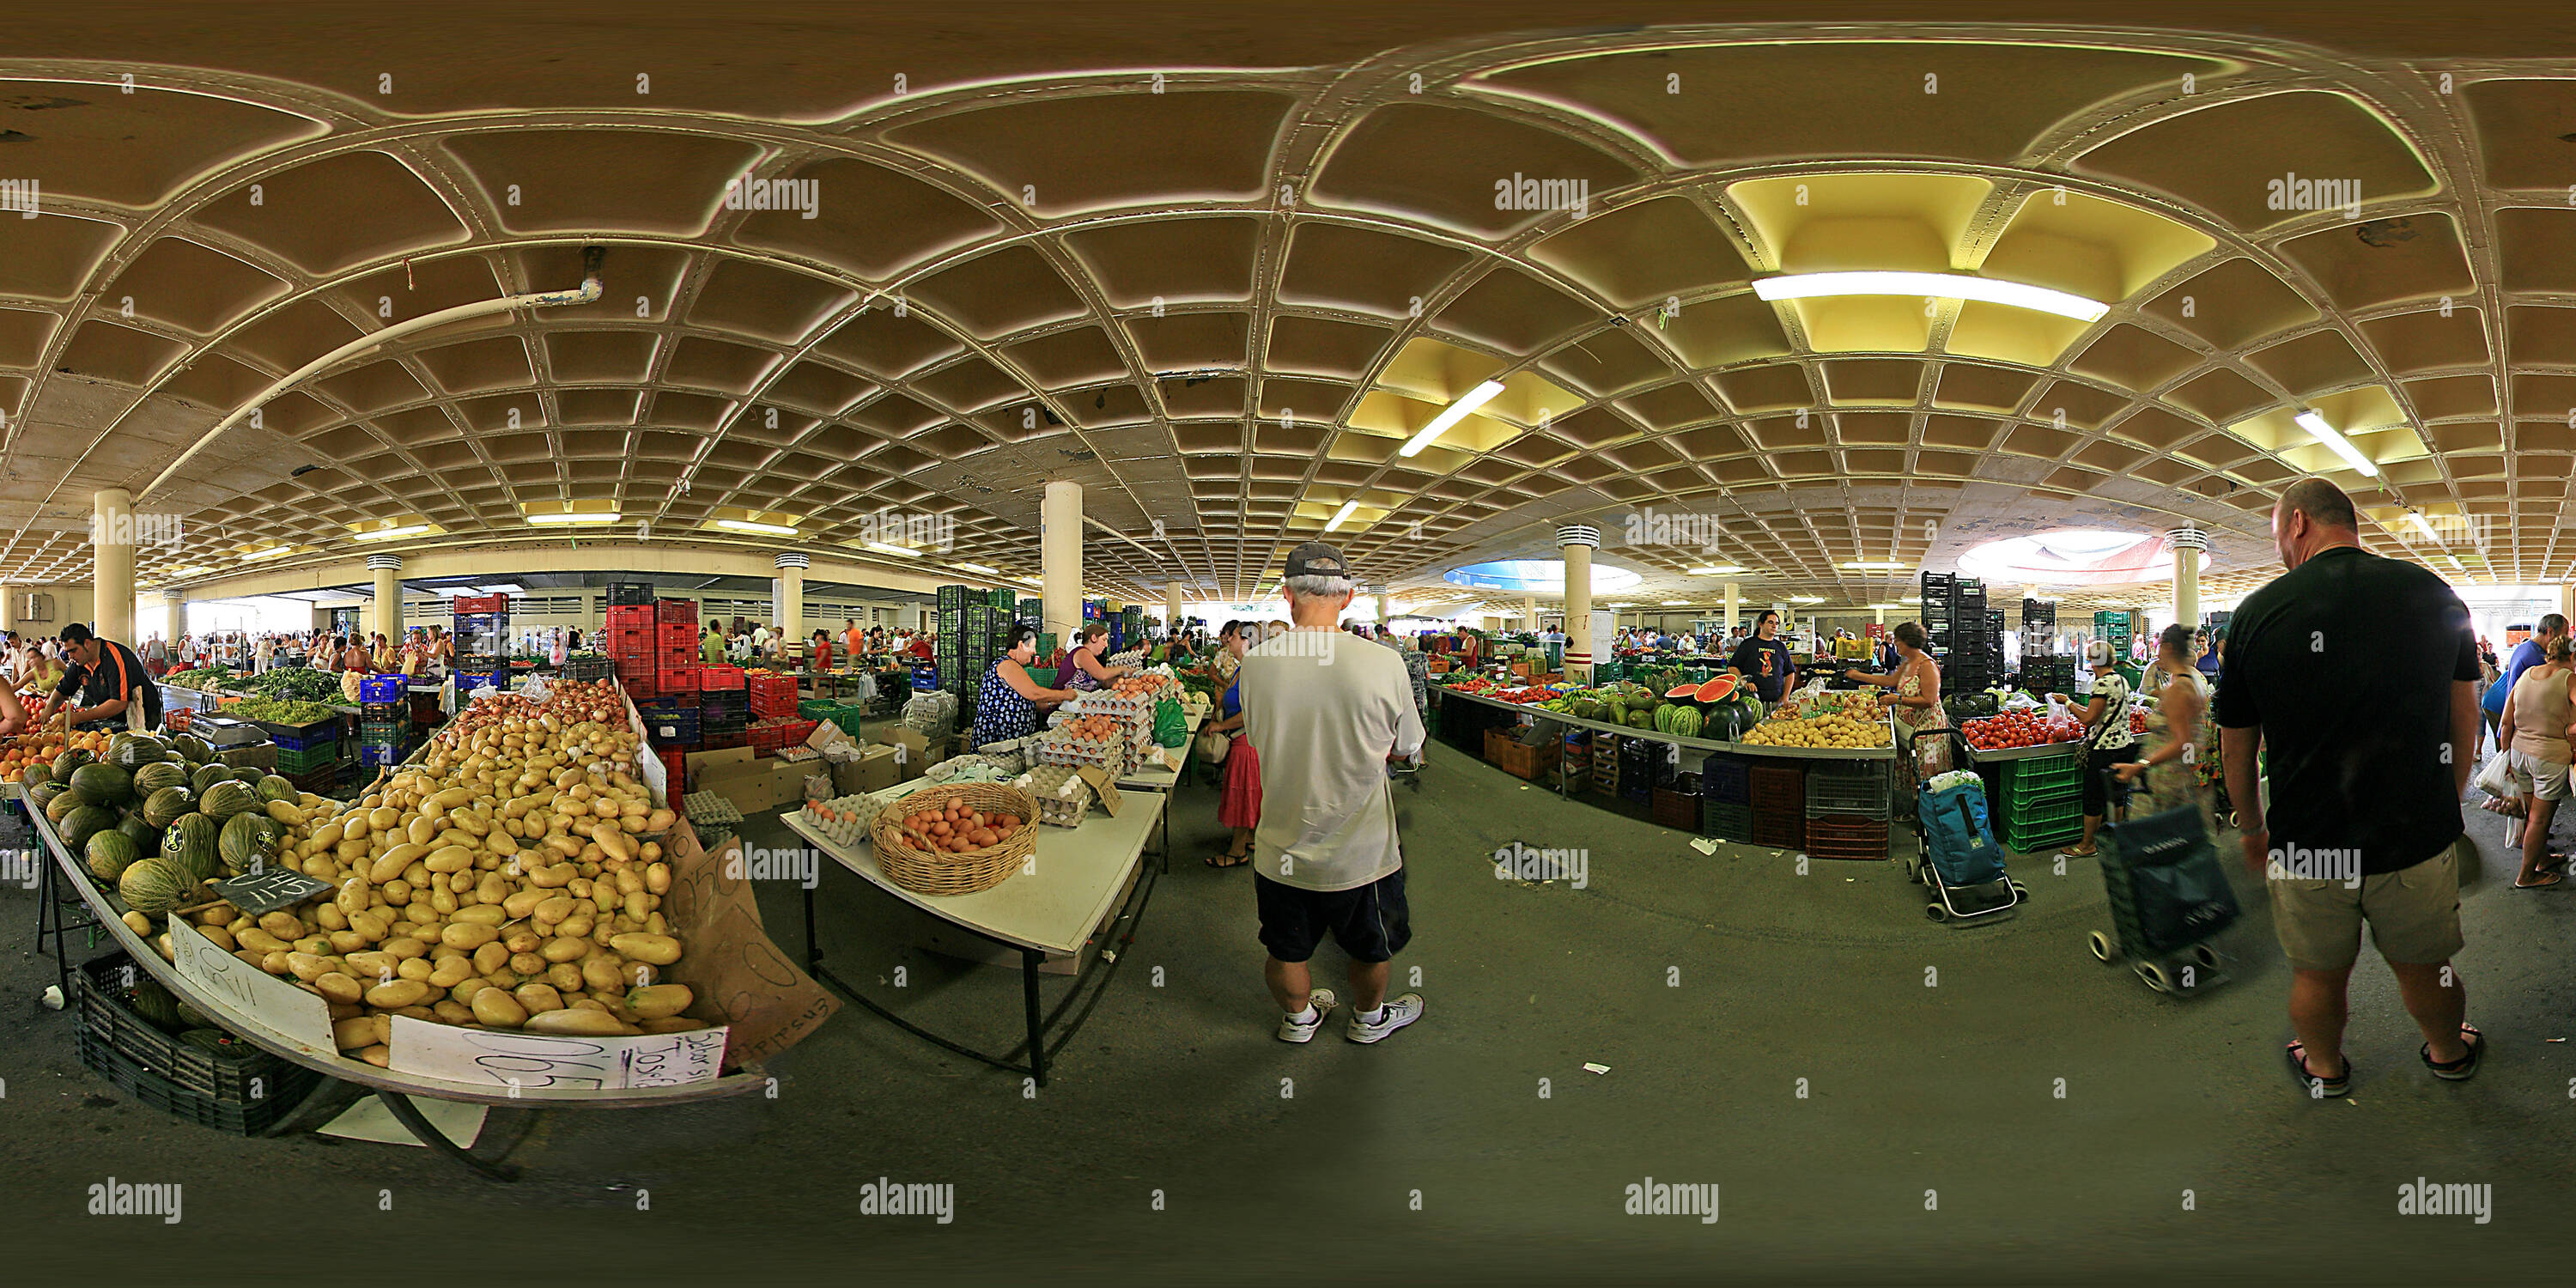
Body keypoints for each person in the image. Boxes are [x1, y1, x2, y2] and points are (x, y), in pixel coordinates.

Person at [2219, 477, 2482, 1097]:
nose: (2280, 546)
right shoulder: (2432, 592)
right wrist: (2451, 794)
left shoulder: (2257, 612)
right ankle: (2448, 1051)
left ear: (2300, 523)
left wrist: (2252, 827)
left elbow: (2236, 742)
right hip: (2412, 834)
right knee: (2427, 969)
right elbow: (2464, 713)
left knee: (2317, 974)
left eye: (2277, 531)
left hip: (2309, 840)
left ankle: (2325, 1068)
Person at [1238, 543, 1425, 1045]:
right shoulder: (1384, 663)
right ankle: (1369, 1019)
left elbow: (1256, 739)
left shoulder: (1257, 664)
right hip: (1362, 852)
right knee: (1371, 948)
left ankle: (1298, 1021)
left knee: (1287, 951)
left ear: (1287, 595)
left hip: (1281, 847)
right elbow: (1407, 747)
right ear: (1348, 598)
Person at [2116, 624, 2218, 841]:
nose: (2156, 652)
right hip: (2184, 775)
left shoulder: (2179, 689)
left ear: (2169, 648)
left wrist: (2140, 765)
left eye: (2159, 647)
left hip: (2167, 780)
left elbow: (2180, 742)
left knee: (2156, 846)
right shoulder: (2194, 680)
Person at [2498, 629, 2574, 889]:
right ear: (2572, 656)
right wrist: (2569, 731)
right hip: (2548, 759)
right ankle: (2526, 875)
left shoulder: (2524, 676)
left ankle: (2541, 860)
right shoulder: (2569, 679)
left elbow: (2506, 722)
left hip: (2519, 754)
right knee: (2540, 820)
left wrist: (2506, 757)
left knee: (2532, 816)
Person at [2050, 640, 2136, 860]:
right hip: (2125, 746)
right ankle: (2118, 839)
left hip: (2105, 749)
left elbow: (2089, 718)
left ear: (2094, 661)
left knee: (2093, 798)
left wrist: (2067, 703)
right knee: (2117, 795)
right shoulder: (2122, 680)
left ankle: (2087, 845)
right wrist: (2071, 704)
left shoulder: (2101, 684)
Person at [1845, 620, 1947, 773]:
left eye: (1898, 641)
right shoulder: (1908, 663)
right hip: (1909, 730)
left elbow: (1929, 700)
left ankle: (1925, 797)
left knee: (1927, 775)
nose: (1896, 643)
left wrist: (1898, 699)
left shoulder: (1927, 665)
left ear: (1908, 641)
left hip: (1927, 731)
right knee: (1913, 773)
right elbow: (1890, 680)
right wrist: (1859, 675)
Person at [34, 623, 162, 732]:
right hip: (115, 720)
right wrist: (49, 709)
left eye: (73, 651)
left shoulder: (114, 658)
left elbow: (119, 703)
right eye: (68, 652)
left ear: (87, 643)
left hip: (144, 714)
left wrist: (77, 717)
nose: (70, 657)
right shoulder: (79, 664)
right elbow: (62, 691)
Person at [968, 625, 1078, 750]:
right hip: (996, 743)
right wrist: (1063, 695)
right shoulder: (1007, 665)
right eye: (1032, 646)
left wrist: (1053, 702)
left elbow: (1027, 702)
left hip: (1011, 744)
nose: (1034, 652)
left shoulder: (1016, 667)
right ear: (1021, 645)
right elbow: (1034, 693)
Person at [1206, 622, 1261, 868]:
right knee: (1247, 793)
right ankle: (1248, 837)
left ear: (1247, 641)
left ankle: (1237, 851)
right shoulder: (1242, 668)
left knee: (1242, 794)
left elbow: (1252, 711)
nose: (1229, 640)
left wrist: (1221, 725)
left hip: (1245, 741)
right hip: (1241, 739)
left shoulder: (1253, 671)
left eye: (1235, 636)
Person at [1728, 610, 1796, 703]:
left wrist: (1785, 696)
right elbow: (1732, 667)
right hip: (1750, 701)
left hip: (1776, 701)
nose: (1774, 626)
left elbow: (1790, 673)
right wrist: (1744, 682)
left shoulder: (1781, 647)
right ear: (1761, 624)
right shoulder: (1748, 644)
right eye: (1770, 622)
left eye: (1777, 623)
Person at [1060, 625, 1133, 694]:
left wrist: (1120, 679)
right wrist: (1122, 669)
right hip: (1061, 703)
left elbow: (1103, 684)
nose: (1106, 645)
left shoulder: (1092, 656)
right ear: (1094, 638)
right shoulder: (1081, 652)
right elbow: (1102, 674)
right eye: (1104, 640)